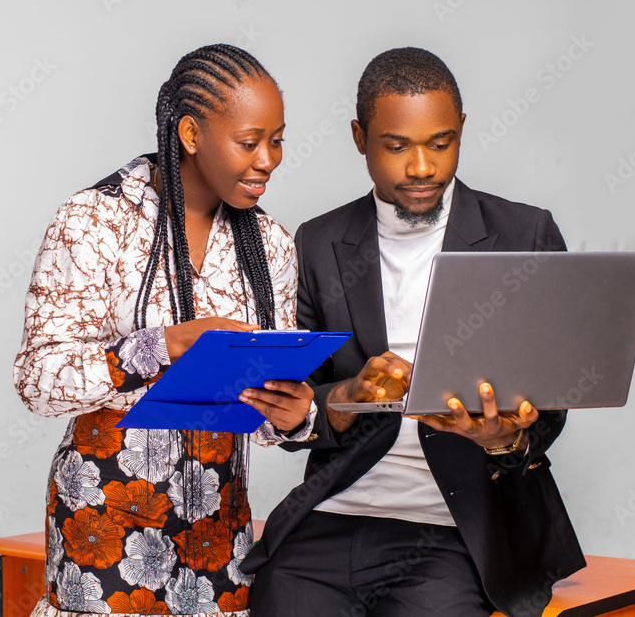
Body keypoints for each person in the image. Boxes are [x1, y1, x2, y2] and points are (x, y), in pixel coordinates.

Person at [244, 47, 585, 617]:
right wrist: (348, 397)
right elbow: (294, 407)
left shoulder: (523, 233)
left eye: (441, 143)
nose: (422, 167)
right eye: (397, 146)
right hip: (332, 515)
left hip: (453, 528)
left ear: (462, 131)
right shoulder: (319, 241)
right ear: (360, 137)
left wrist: (499, 438)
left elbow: (549, 408)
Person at [13, 44, 316, 617]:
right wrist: (163, 345)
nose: (269, 159)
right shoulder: (96, 221)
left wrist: (295, 416)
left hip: (219, 544)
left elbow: (264, 421)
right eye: (249, 142)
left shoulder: (269, 244)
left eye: (277, 139)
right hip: (104, 534)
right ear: (191, 134)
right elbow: (38, 379)